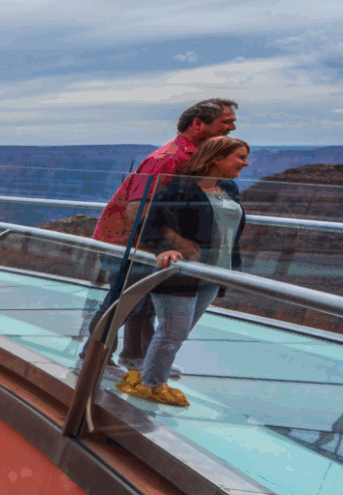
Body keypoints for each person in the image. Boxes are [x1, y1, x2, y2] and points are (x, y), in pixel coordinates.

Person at [88, 98, 239, 379]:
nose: (231, 127)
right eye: (225, 122)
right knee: (120, 302)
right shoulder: (169, 158)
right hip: (128, 242)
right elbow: (137, 207)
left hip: (149, 244)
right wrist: (170, 243)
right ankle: (94, 360)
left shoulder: (193, 156)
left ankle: (137, 359)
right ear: (198, 123)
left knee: (145, 304)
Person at [118, 136, 251, 408]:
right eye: (240, 156)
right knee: (173, 332)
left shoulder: (229, 189)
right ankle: (151, 385)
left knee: (177, 333)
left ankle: (150, 378)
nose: (245, 163)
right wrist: (166, 248)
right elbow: (150, 225)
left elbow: (229, 230)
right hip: (180, 272)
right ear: (216, 158)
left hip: (215, 274)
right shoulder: (179, 190)